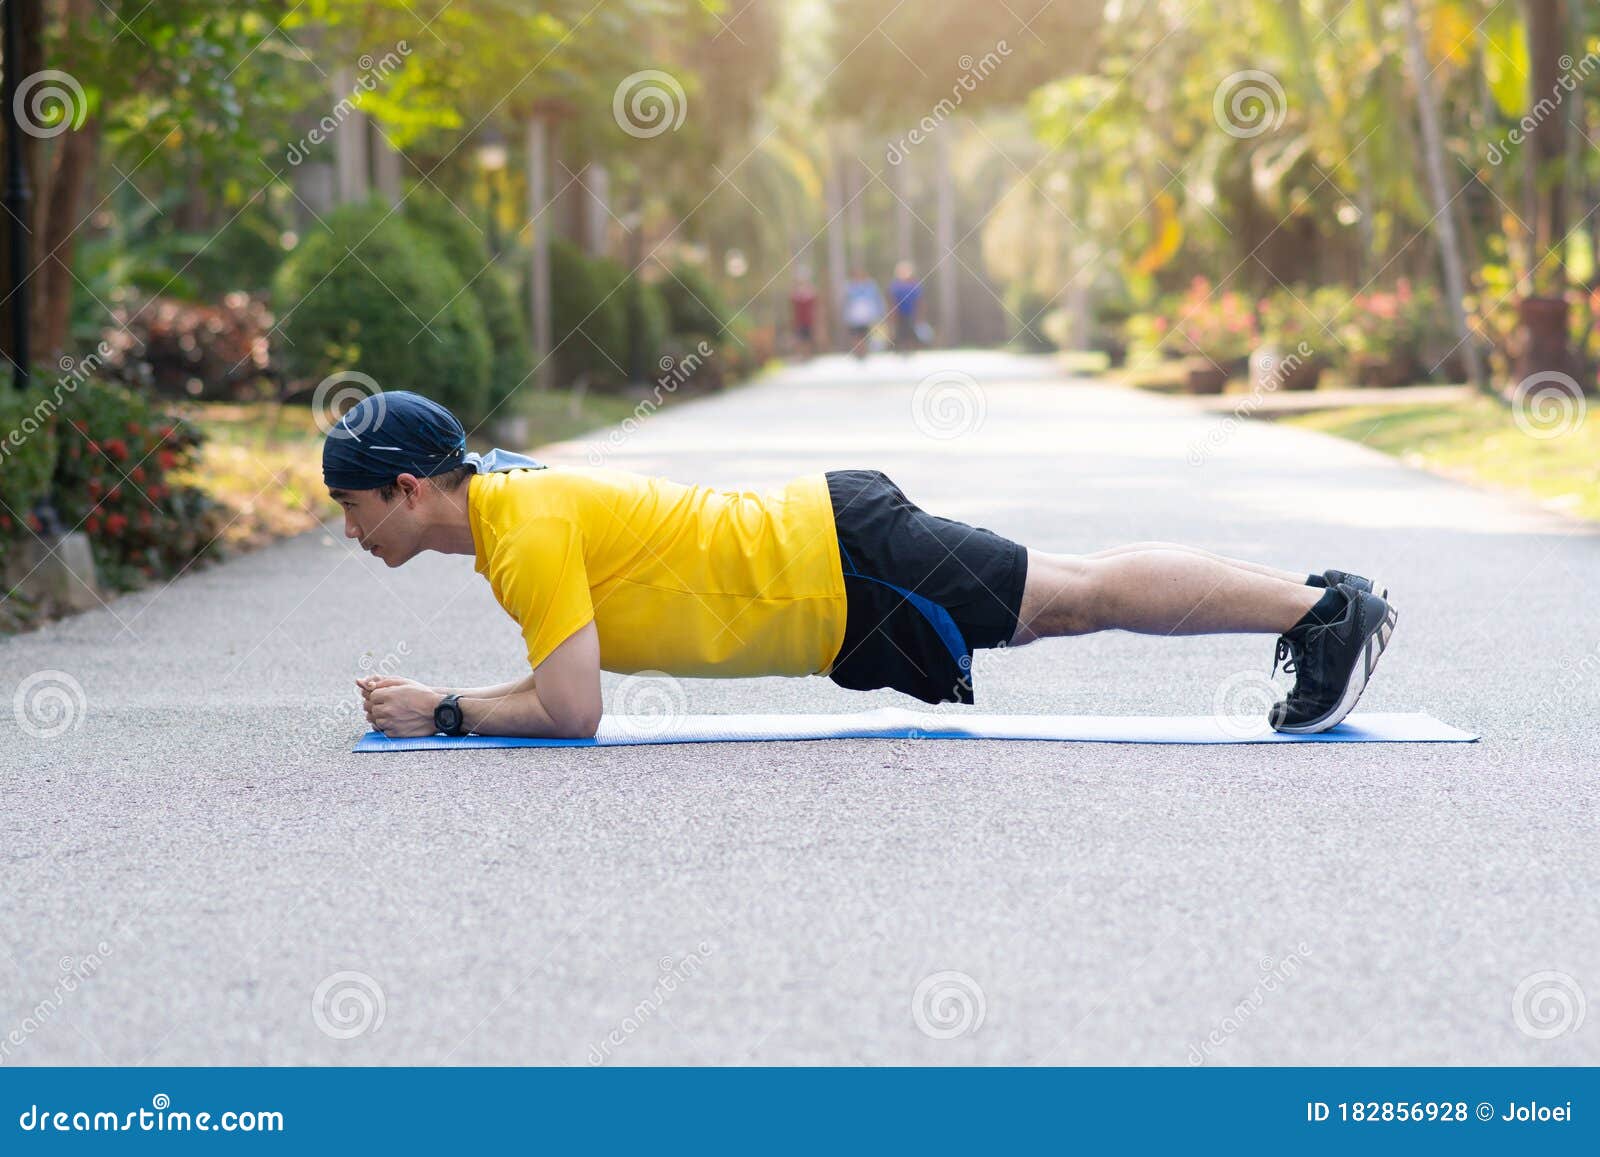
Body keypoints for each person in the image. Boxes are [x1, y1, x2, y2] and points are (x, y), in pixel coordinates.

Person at [329, 392, 1398, 741]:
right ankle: (1319, 606)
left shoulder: (518, 523)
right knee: (1064, 596)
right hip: (831, 581)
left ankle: (1323, 611)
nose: (348, 530)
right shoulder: (508, 511)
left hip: (839, 560)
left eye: (353, 506)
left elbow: (571, 708)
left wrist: (447, 712)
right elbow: (572, 680)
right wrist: (447, 706)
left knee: (1070, 598)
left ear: (410, 489)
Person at [840, 268, 885, 358]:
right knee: (855, 335)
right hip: (854, 317)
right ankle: (857, 353)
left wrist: (880, 312)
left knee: (865, 335)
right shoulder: (850, 287)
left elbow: (877, 300)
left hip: (866, 317)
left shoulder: (870, 286)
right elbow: (846, 302)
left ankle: (864, 353)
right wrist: (845, 315)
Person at [888, 261, 924, 352]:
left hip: (911, 314)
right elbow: (892, 301)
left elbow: (919, 301)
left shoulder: (914, 285)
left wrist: (919, 315)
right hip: (899, 314)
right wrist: (892, 315)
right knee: (900, 333)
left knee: (911, 333)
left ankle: (910, 349)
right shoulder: (895, 286)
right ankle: (902, 350)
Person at [789, 272, 819, 359]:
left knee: (808, 338)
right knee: (800, 338)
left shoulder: (810, 293)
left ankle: (807, 355)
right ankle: (801, 354)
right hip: (799, 321)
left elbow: (814, 303)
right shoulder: (796, 294)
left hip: (808, 320)